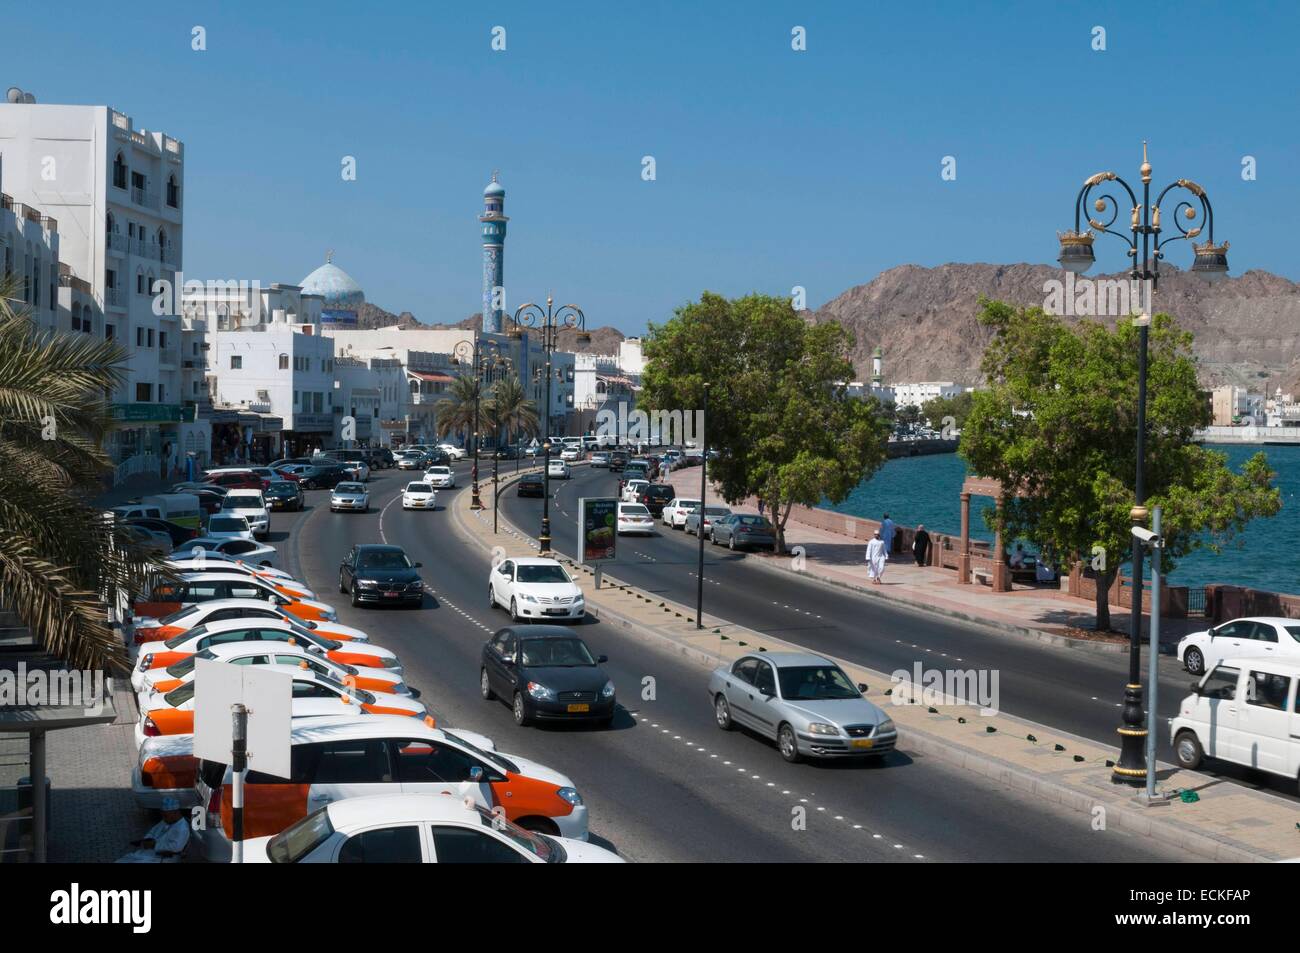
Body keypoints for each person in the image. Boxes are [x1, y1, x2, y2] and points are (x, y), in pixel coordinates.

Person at [116, 795, 189, 863]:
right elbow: (152, 831)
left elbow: (176, 848)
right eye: (163, 815)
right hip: (147, 853)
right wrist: (147, 840)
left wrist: (155, 844)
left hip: (161, 857)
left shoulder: (182, 829)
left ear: (175, 813)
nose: (164, 818)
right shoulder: (166, 821)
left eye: (166, 816)